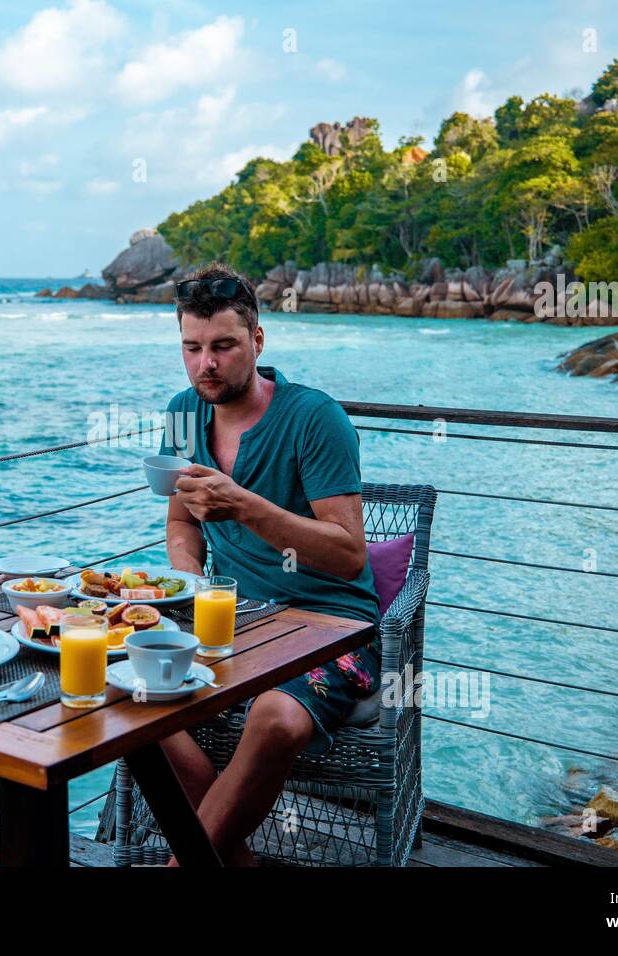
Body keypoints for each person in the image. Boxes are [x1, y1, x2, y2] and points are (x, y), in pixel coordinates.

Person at [156, 262, 380, 866]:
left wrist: (245, 506)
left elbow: (348, 551)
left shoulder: (314, 417)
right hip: (228, 621)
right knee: (120, 693)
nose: (207, 363)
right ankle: (235, 860)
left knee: (277, 718)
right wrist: (190, 581)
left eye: (224, 346)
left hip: (330, 625)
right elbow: (181, 525)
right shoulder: (182, 414)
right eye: (193, 348)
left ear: (257, 340)